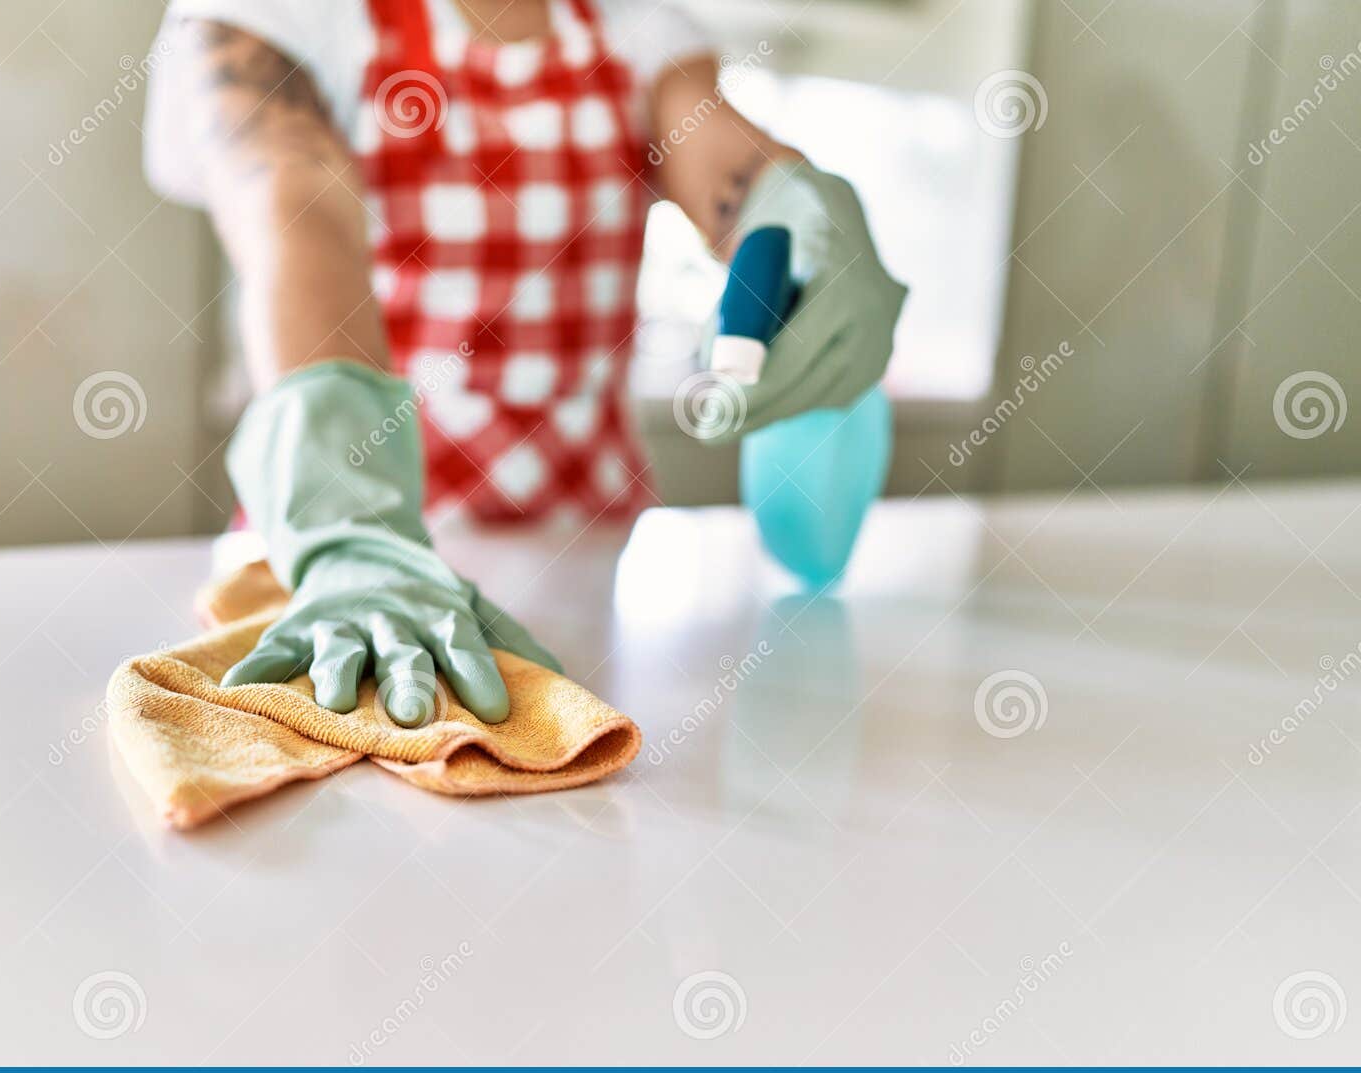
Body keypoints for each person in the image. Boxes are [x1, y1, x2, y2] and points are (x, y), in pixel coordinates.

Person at [143, 0, 904, 726]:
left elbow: (728, 158)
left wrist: (798, 208)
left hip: (584, 563)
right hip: (333, 560)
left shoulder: (637, 28)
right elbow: (291, 194)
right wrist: (349, 529)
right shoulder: (280, 14)